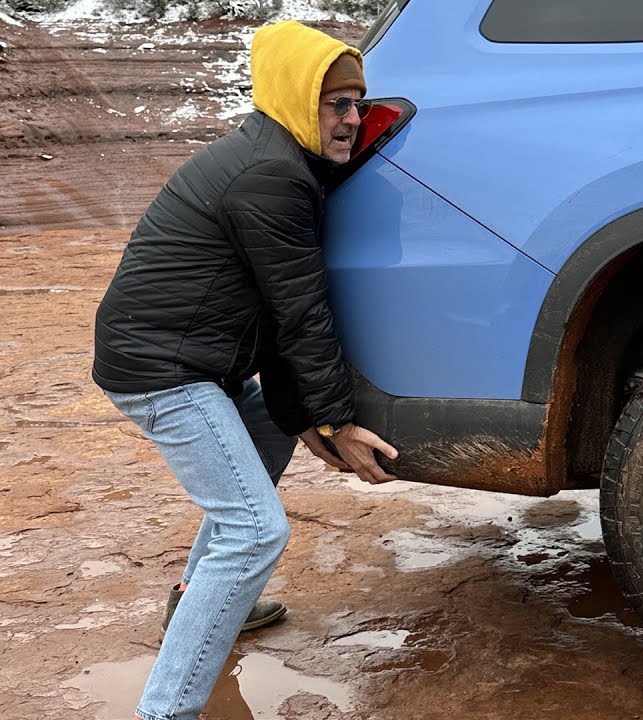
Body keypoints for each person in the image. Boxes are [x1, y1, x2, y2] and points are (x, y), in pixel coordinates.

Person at [91, 19, 398, 720]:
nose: (351, 119)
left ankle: (193, 601)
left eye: (358, 102)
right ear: (295, 98)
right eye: (335, 103)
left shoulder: (279, 156)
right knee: (255, 531)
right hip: (161, 370)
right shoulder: (269, 175)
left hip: (191, 358)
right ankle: (166, 710)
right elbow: (300, 312)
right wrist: (337, 421)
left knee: (269, 421)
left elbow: (278, 318)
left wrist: (308, 414)